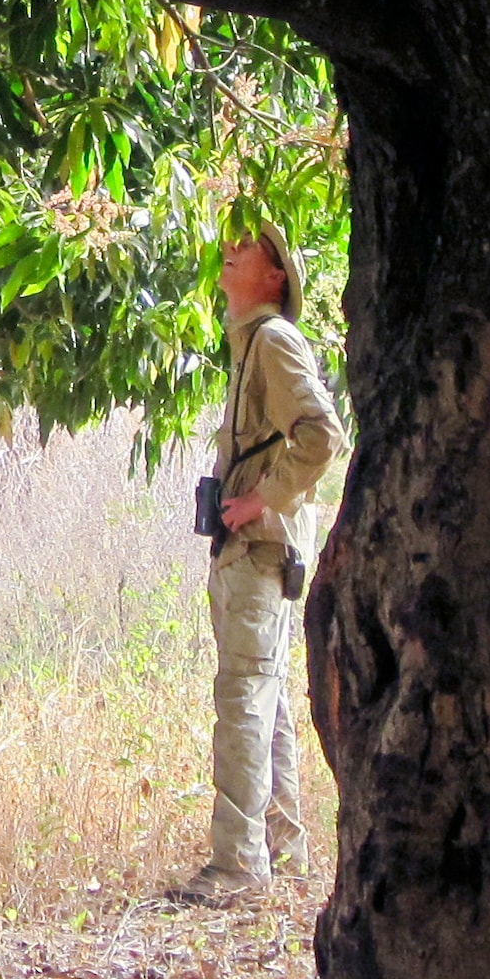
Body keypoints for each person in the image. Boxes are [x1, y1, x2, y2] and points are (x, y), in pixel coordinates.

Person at [175, 223, 339, 905]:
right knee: (263, 695)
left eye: (250, 246)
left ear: (276, 277)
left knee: (244, 695)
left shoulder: (272, 340)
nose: (230, 251)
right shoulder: (255, 343)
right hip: (254, 551)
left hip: (260, 549)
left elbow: (322, 436)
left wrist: (259, 501)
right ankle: (282, 849)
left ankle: (237, 867)